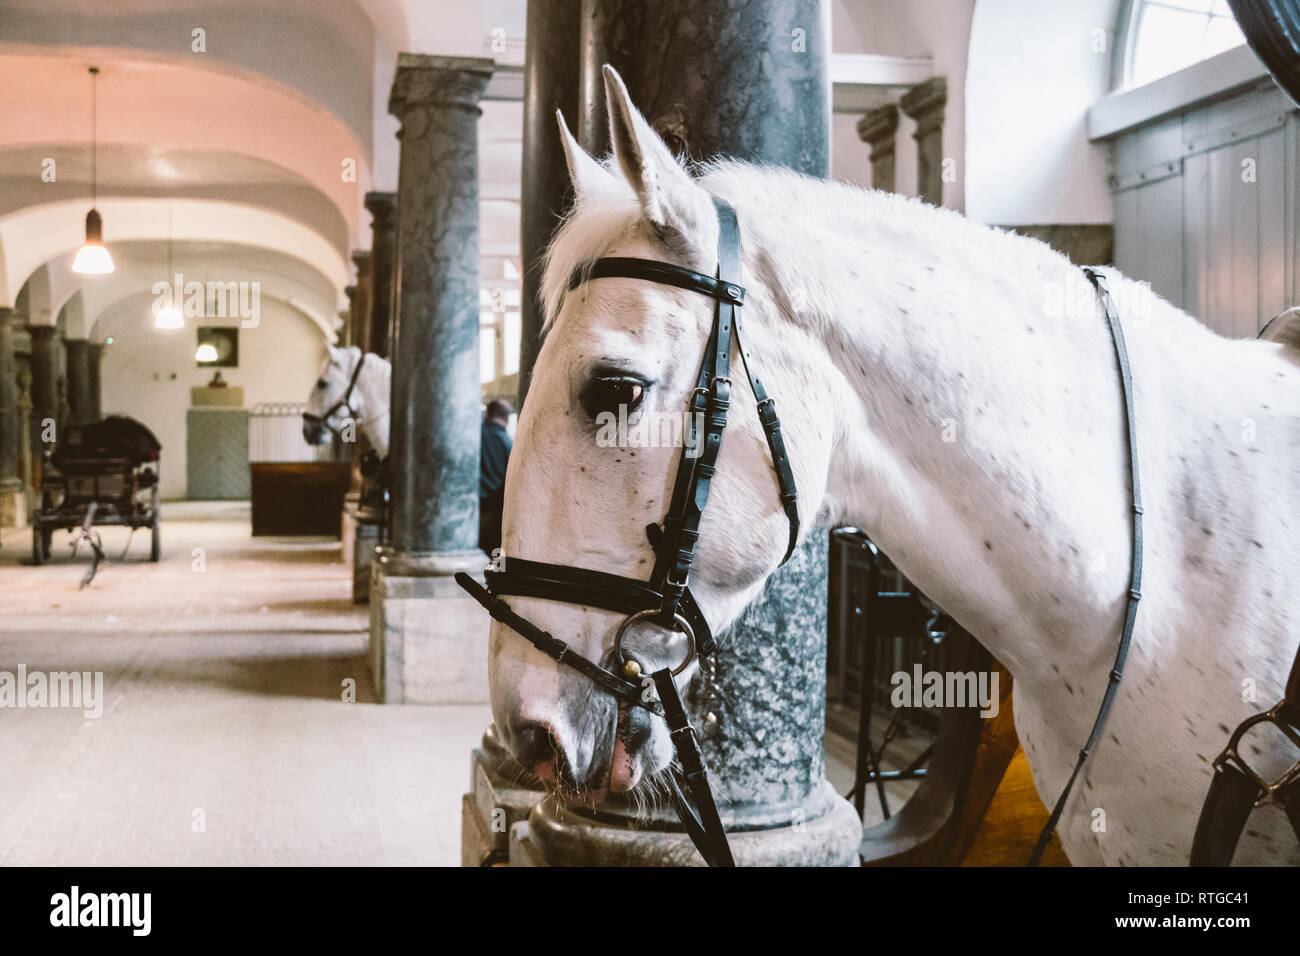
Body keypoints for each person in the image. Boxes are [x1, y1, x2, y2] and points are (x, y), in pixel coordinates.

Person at [479, 398, 513, 556]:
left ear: (487, 414)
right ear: (507, 419)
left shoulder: (472, 437)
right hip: (498, 513)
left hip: (470, 511)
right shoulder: (510, 444)